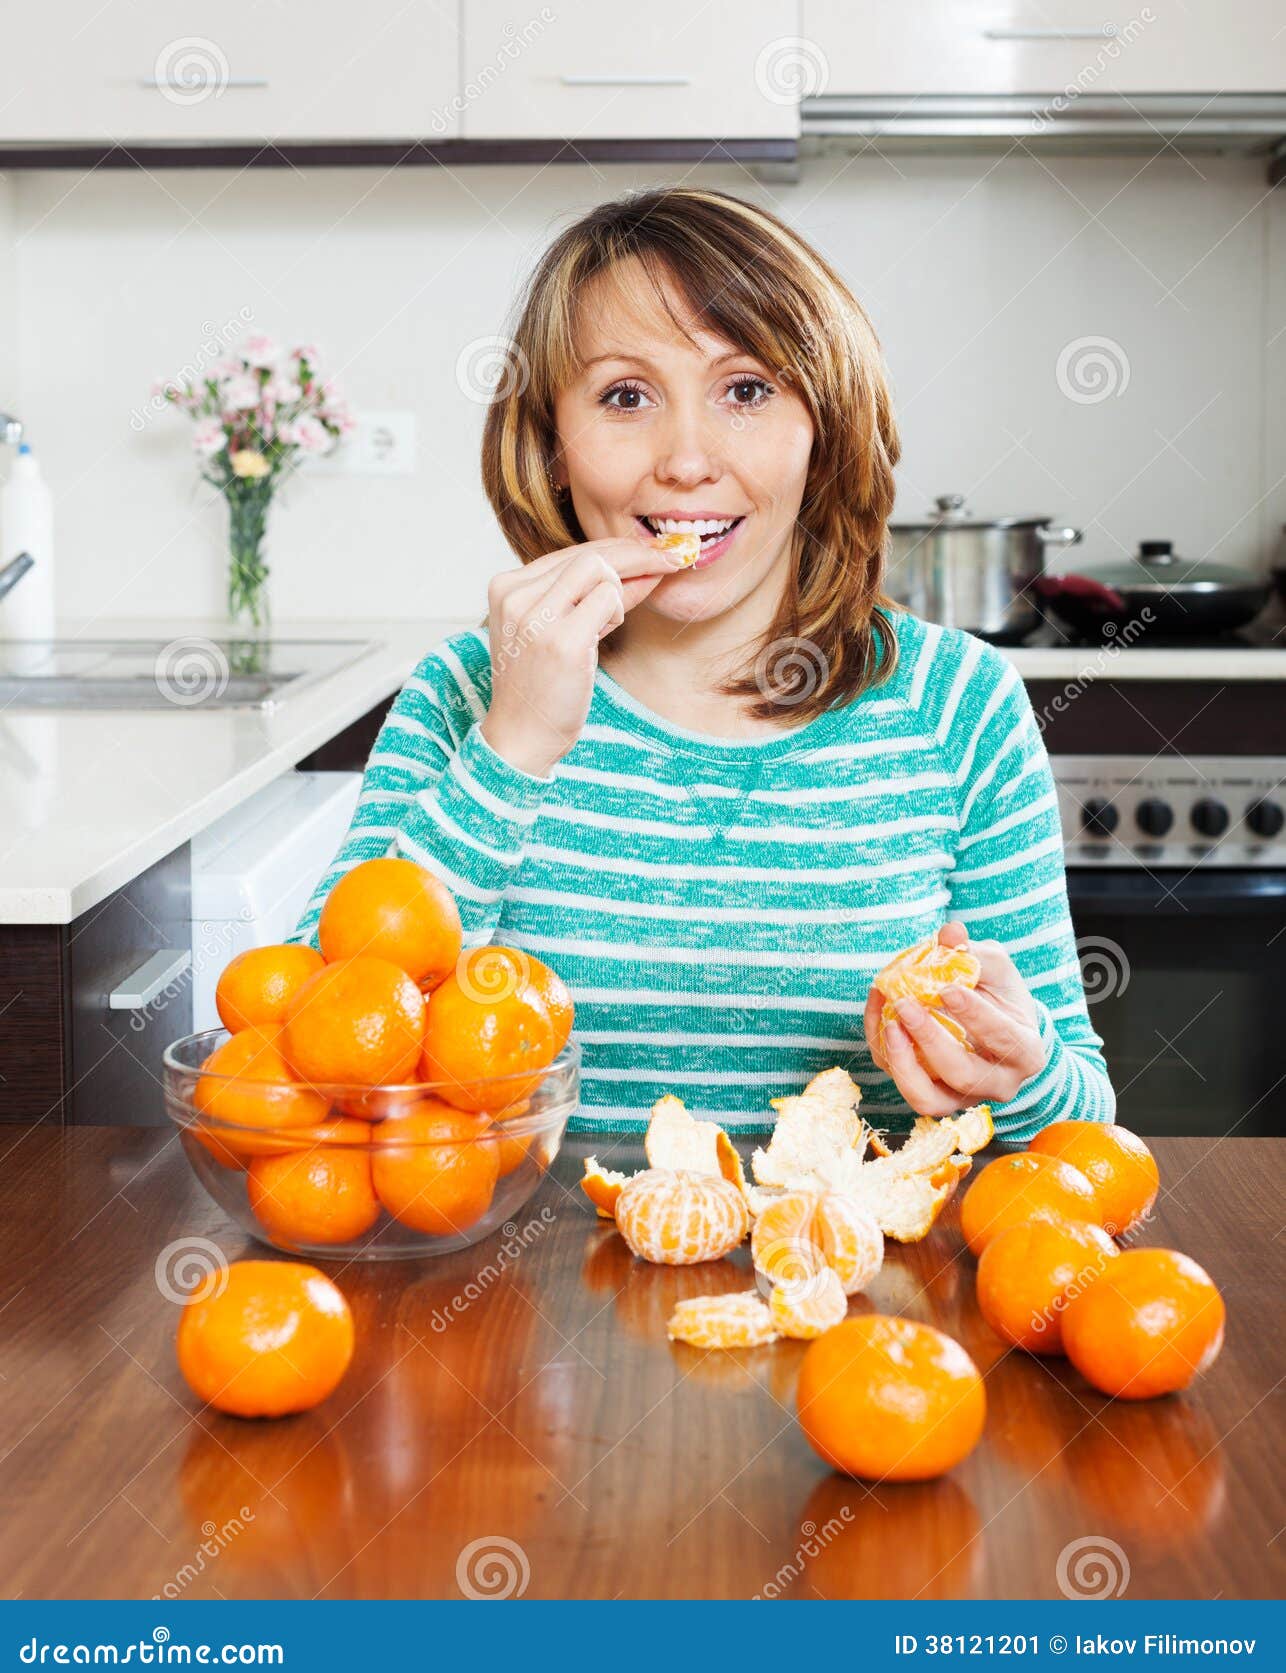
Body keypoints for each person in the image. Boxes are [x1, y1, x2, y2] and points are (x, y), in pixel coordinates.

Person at [288, 187, 1115, 1141]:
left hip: (862, 1284)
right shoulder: (467, 695)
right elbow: (311, 1067)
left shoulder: (958, 705)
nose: (686, 462)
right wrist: (511, 750)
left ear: (824, 430)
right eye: (626, 396)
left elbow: (1079, 1125)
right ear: (553, 445)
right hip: (532, 1280)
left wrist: (1021, 1078)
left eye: (747, 390)